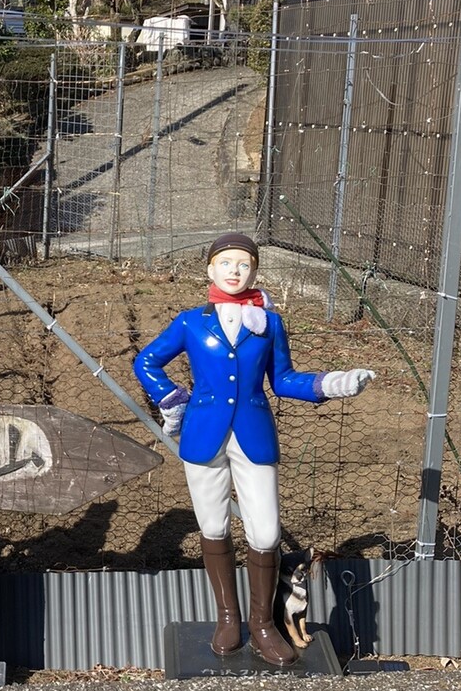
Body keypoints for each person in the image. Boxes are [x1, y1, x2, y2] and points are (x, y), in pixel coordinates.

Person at [133, 233, 374, 666]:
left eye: (244, 264)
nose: (235, 271)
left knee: (265, 533)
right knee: (213, 527)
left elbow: (283, 380)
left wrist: (332, 383)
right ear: (210, 269)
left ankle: (262, 624)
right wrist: (171, 397)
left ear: (255, 271)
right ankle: (228, 618)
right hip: (203, 436)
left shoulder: (270, 324)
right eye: (226, 263)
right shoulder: (190, 322)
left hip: (254, 436)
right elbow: (146, 361)